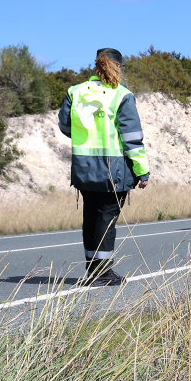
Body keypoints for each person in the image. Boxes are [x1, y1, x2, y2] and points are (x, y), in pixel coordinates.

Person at [57, 48, 150, 285]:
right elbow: (132, 138)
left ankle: (93, 270)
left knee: (91, 217)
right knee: (106, 219)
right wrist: (142, 171)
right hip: (113, 169)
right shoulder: (121, 95)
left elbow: (66, 127)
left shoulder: (75, 92)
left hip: (84, 166)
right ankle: (103, 273)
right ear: (118, 66)